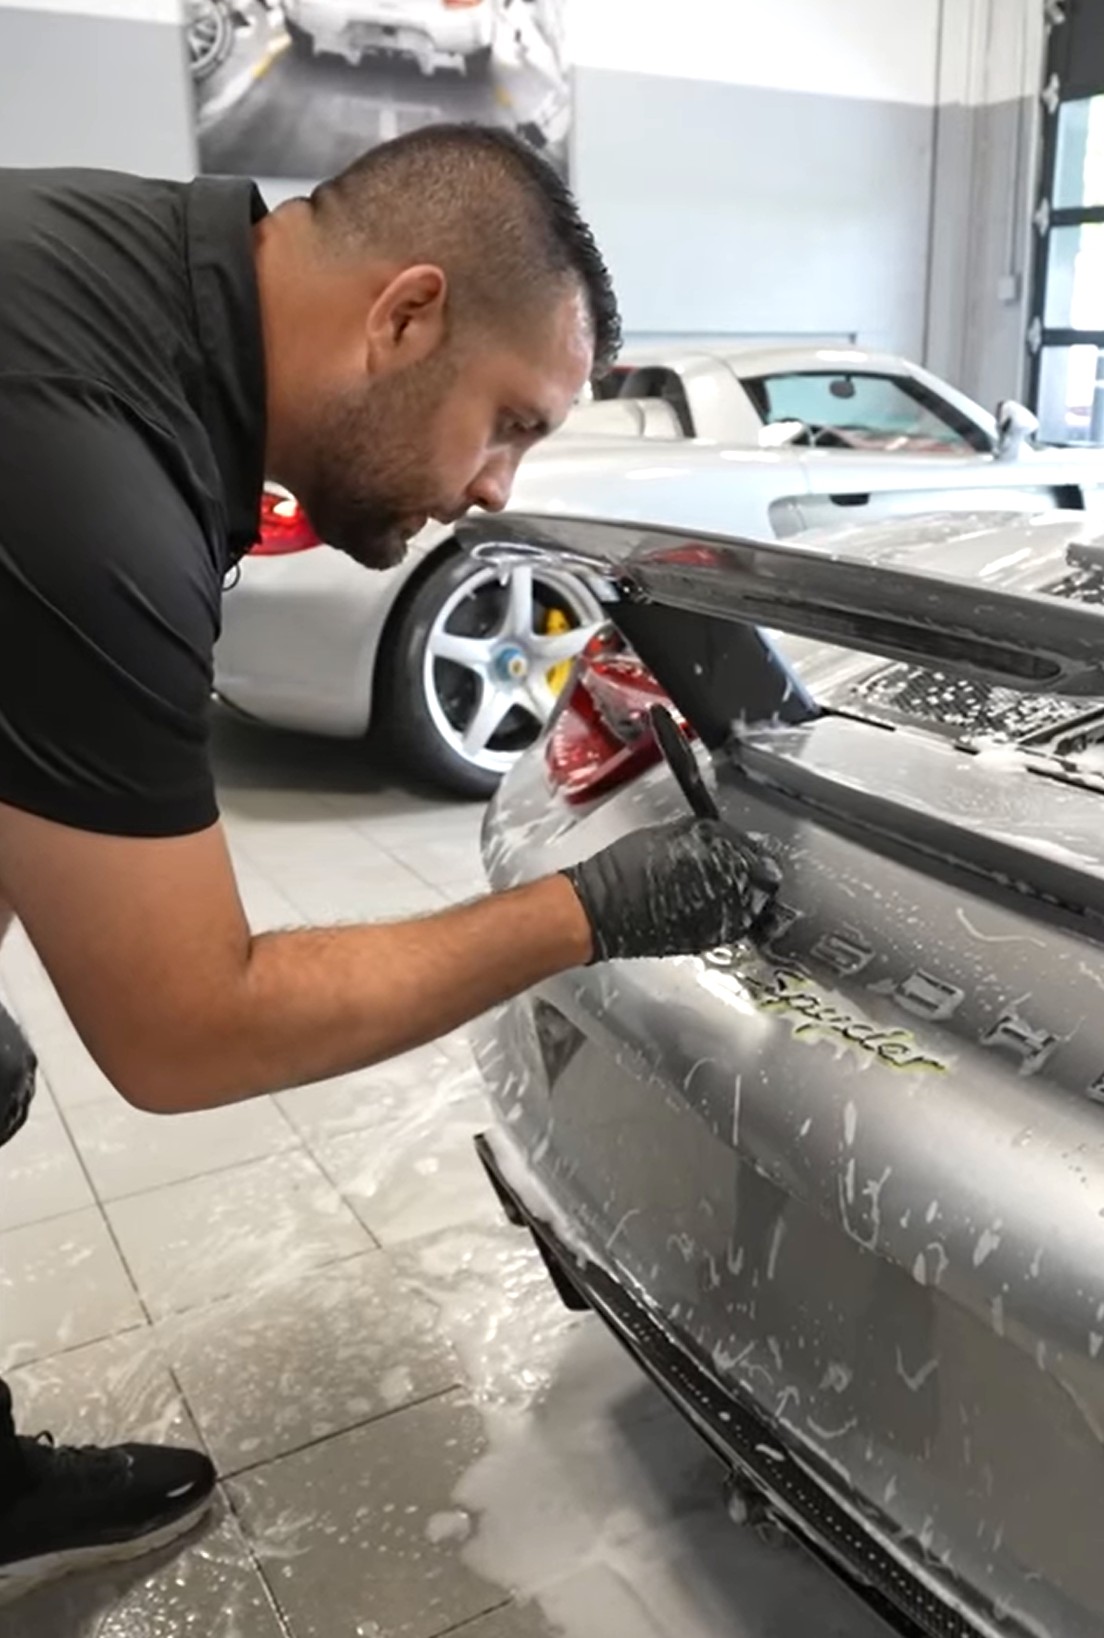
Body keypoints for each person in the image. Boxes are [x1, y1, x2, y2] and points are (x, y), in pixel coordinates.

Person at [0, 125, 779, 1601]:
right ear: (407, 315)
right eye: (508, 422)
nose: (495, 488)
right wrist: (582, 910)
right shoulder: (85, 458)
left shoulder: (137, 296)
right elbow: (186, 1030)